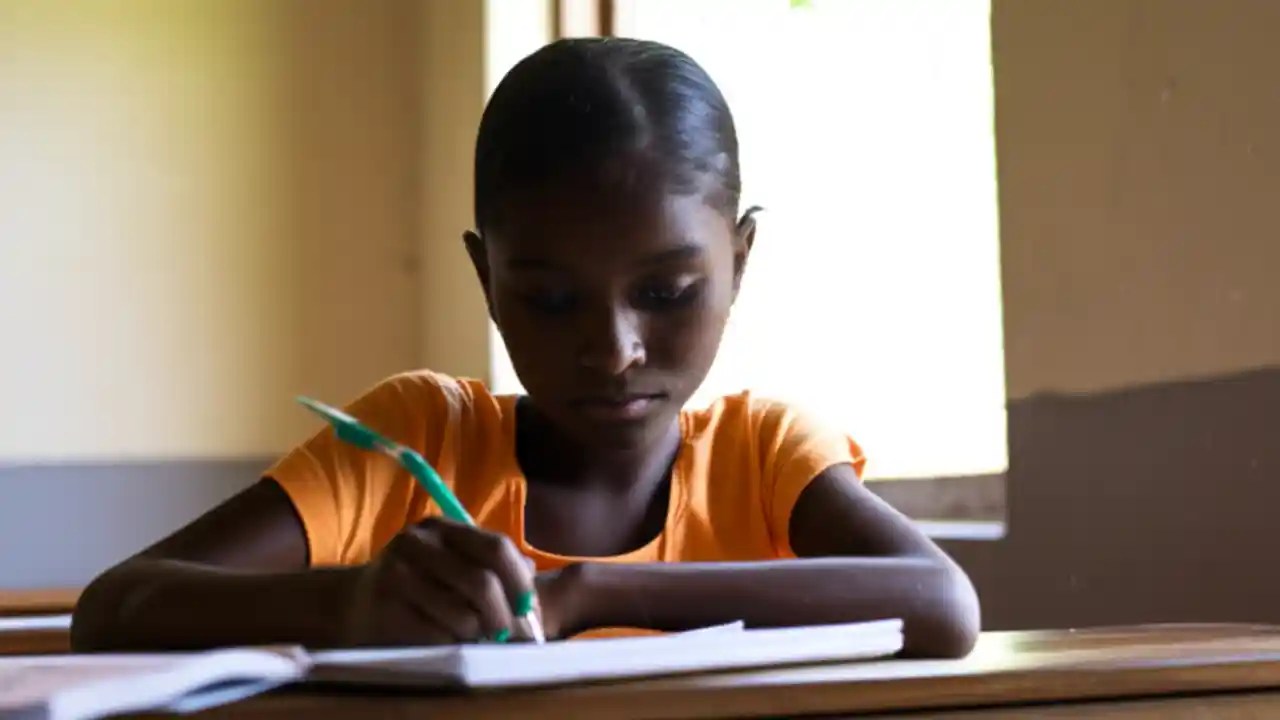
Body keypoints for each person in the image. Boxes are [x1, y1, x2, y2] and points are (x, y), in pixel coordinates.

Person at [72, 37, 979, 658]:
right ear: (486, 278)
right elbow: (114, 609)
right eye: (549, 298)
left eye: (665, 293)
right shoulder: (419, 436)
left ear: (738, 263)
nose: (615, 348)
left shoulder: (766, 458)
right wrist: (349, 604)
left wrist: (593, 596)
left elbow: (942, 607)